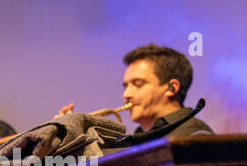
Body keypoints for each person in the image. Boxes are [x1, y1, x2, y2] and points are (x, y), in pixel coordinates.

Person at [63, 44, 213, 139]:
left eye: (138, 84)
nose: (126, 94)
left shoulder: (195, 134)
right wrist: (68, 136)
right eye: (126, 86)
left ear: (171, 87)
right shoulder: (137, 138)